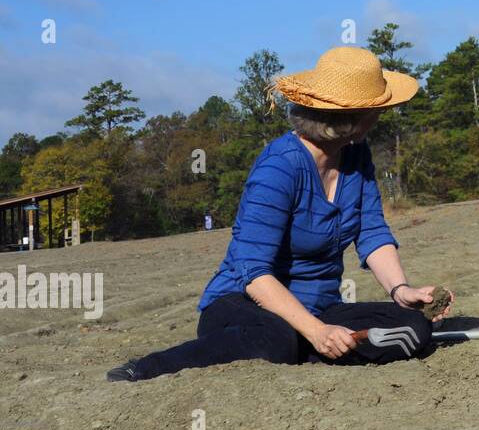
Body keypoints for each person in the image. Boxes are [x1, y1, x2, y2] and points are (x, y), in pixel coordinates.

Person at [107, 46, 454, 382]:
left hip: (319, 307)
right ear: (356, 118)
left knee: (414, 325)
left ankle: (313, 343)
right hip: (244, 305)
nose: (383, 114)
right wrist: (316, 331)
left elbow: (372, 233)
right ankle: (149, 366)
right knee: (278, 339)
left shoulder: (357, 156)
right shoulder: (279, 167)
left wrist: (401, 290)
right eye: (379, 108)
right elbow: (254, 273)